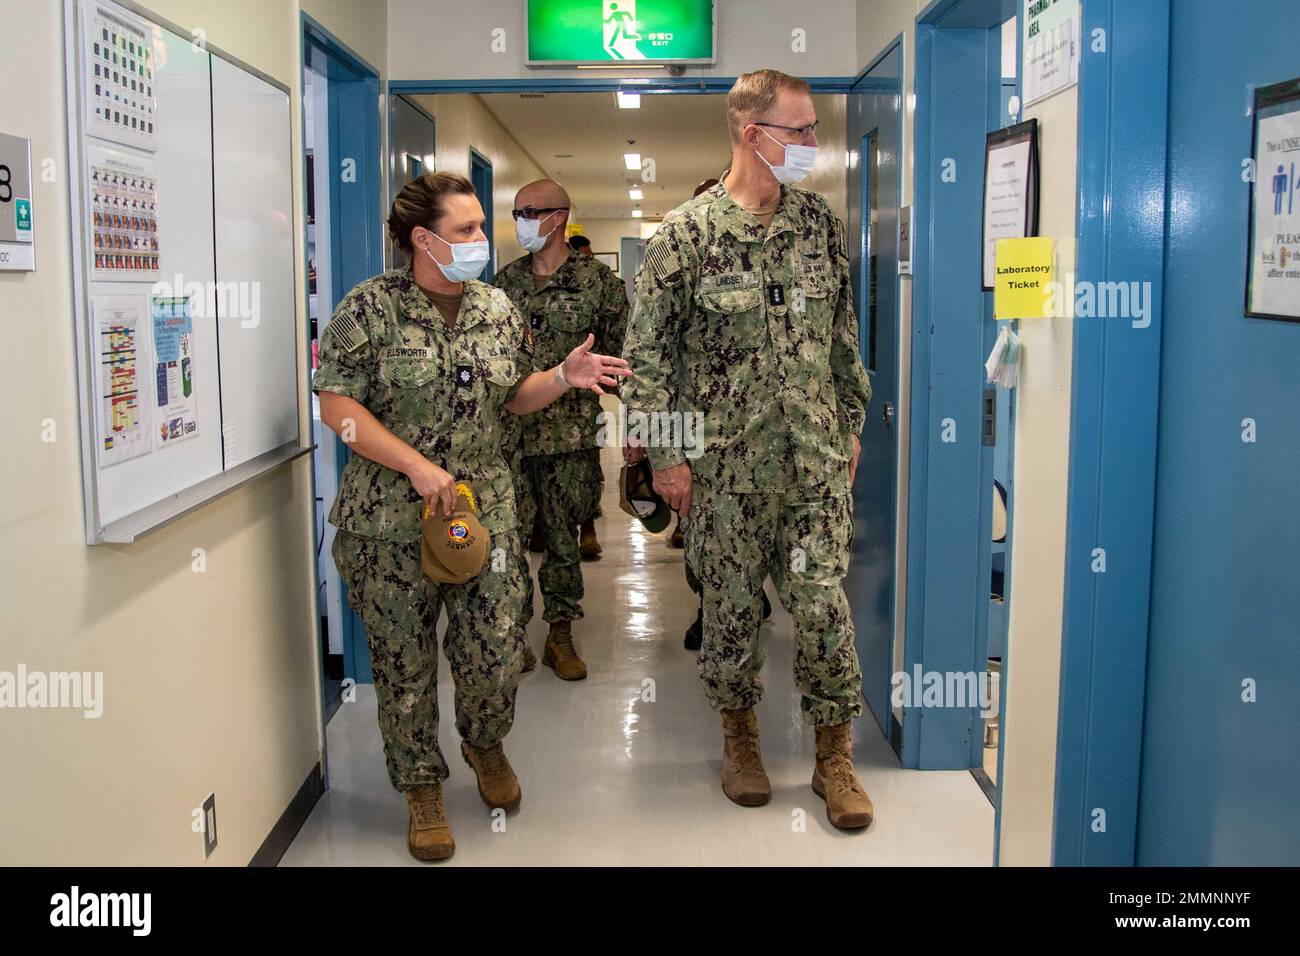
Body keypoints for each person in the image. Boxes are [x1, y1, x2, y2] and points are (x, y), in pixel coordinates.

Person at [315, 172, 629, 861]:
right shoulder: (367, 311)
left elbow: (515, 395)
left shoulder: (494, 307)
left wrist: (562, 379)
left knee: (493, 649)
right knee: (405, 665)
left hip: (483, 516)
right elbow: (337, 407)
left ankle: (485, 745)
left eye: (482, 227)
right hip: (389, 525)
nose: (481, 241)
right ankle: (421, 787)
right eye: (466, 230)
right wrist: (415, 466)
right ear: (422, 240)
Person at [621, 70, 875, 830]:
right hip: (724, 474)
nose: (811, 144)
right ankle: (740, 741)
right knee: (731, 615)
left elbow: (841, 335)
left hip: (814, 466)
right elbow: (650, 357)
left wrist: (851, 419)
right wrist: (666, 458)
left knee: (824, 609)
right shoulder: (685, 236)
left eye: (812, 130)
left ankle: (835, 758)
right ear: (748, 131)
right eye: (797, 130)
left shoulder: (820, 227)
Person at [494, 180, 629, 681]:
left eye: (530, 212)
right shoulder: (501, 284)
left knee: (562, 541)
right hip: (509, 439)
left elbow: (623, 364)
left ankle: (559, 634)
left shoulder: (600, 285)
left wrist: (639, 432)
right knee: (505, 542)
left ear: (558, 217)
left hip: (570, 441)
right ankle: (513, 631)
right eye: (517, 212)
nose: (521, 221)